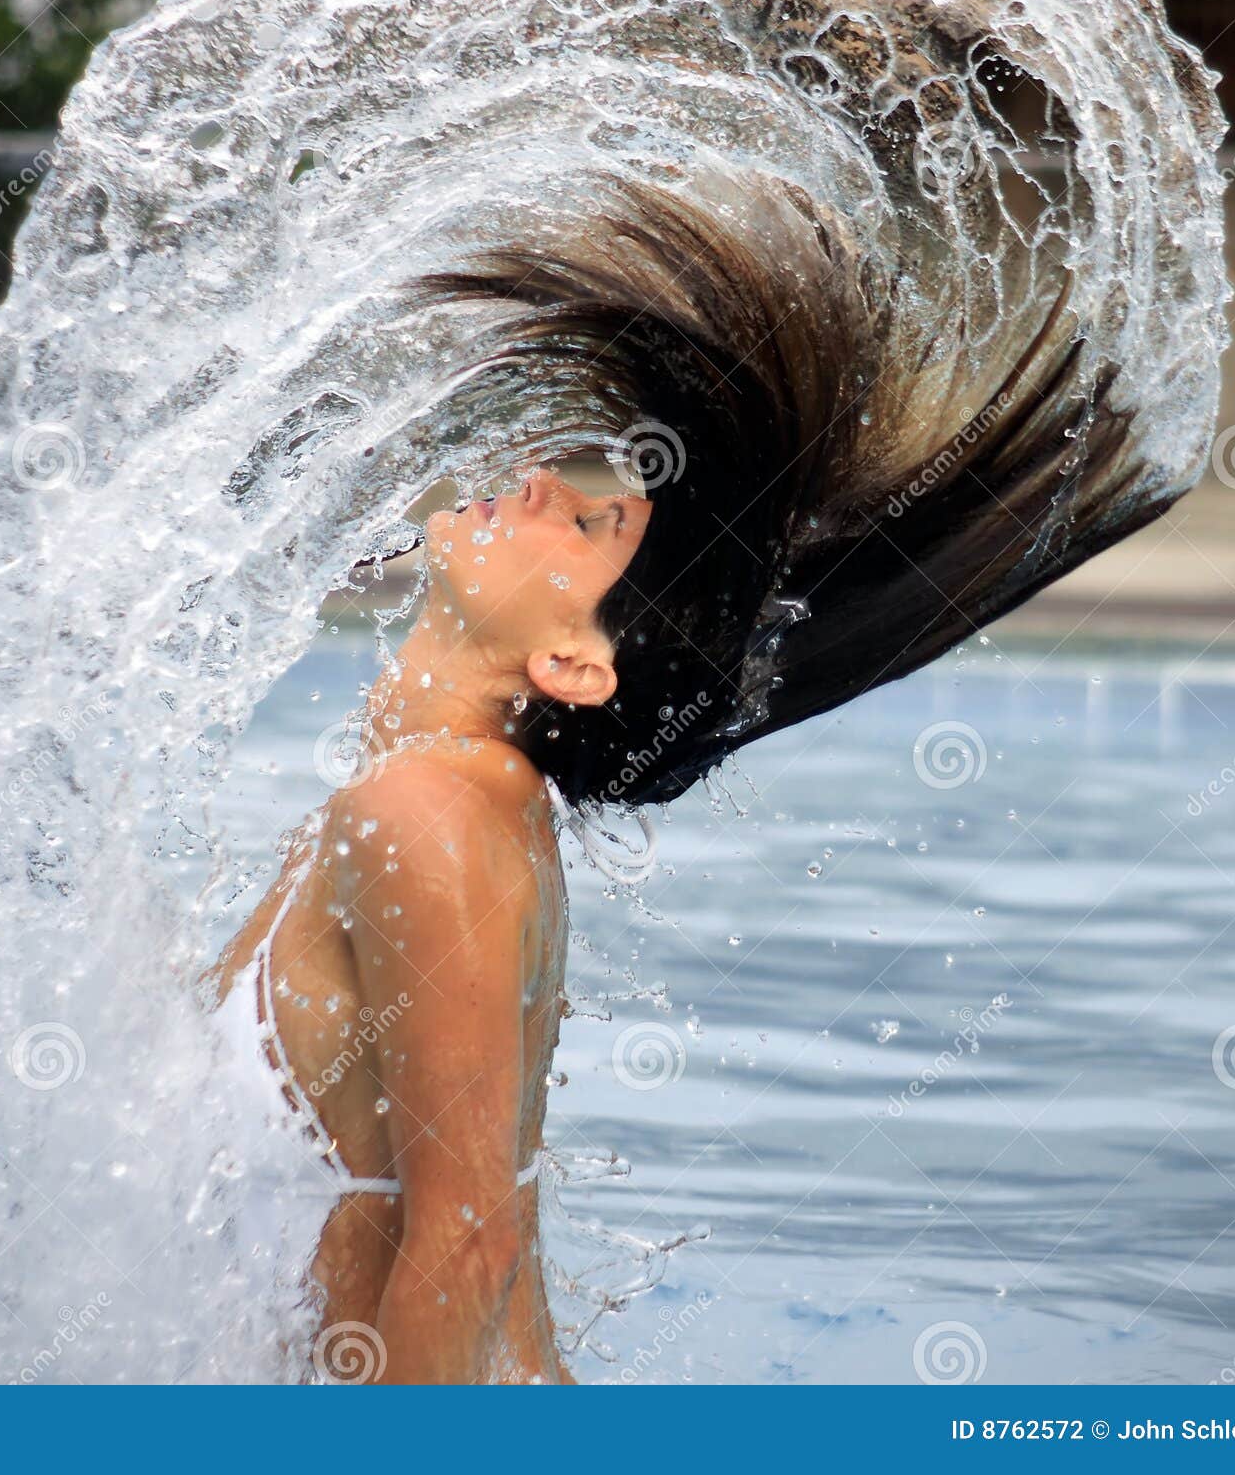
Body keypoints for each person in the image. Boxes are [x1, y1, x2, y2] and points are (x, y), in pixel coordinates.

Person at [203, 170, 1171, 1384]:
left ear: (572, 663)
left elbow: (467, 1239)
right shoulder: (443, 797)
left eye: (597, 529)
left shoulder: (430, 812)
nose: (556, 486)